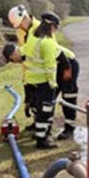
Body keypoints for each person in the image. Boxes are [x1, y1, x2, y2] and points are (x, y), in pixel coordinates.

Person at [15, 12, 64, 149]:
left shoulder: (32, 38)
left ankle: (41, 135)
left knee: (38, 109)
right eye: (56, 28)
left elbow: (25, 54)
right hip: (43, 82)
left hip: (31, 80)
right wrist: (52, 83)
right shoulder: (47, 42)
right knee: (45, 111)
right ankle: (42, 140)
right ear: (52, 27)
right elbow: (50, 66)